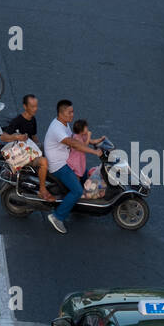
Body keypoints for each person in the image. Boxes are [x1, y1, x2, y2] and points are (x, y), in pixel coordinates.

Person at [43, 99, 103, 234]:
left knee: (86, 176)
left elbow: (76, 139)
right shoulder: (57, 128)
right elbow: (75, 144)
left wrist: (94, 142)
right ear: (61, 113)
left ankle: (80, 206)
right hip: (59, 165)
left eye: (72, 111)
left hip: (69, 161)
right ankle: (57, 216)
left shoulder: (64, 124)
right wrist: (94, 152)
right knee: (77, 191)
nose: (72, 115)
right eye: (69, 112)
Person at [0, 94, 54, 202]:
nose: (35, 109)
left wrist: (40, 149)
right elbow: (3, 137)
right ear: (25, 106)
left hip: (30, 150)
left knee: (50, 149)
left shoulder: (32, 119)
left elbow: (34, 137)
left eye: (36, 106)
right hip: (22, 155)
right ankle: (42, 189)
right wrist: (17, 136)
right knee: (43, 161)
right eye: (32, 106)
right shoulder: (17, 121)